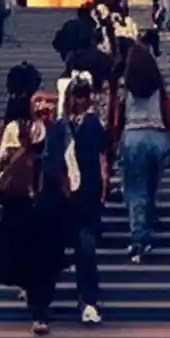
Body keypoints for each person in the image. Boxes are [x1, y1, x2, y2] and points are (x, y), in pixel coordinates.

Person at [0, 90, 78, 336]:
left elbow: (70, 161)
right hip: (21, 204)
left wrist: (70, 189)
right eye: (38, 101)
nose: (43, 106)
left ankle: (40, 312)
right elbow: (3, 162)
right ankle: (31, 289)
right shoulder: (17, 129)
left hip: (49, 204)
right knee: (8, 263)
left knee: (45, 261)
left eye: (49, 101)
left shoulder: (61, 130)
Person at [114, 44, 170, 263]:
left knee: (135, 189)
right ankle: (150, 216)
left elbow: (117, 116)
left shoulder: (125, 85)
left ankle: (139, 238)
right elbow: (169, 115)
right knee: (151, 183)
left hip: (134, 136)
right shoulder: (158, 86)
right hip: (158, 136)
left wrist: (114, 141)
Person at [65, 77, 107, 325]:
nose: (77, 101)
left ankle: (89, 298)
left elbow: (102, 159)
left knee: (85, 244)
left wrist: (101, 189)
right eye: (75, 96)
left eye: (81, 96)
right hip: (69, 192)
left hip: (86, 193)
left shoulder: (91, 125)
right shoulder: (66, 125)